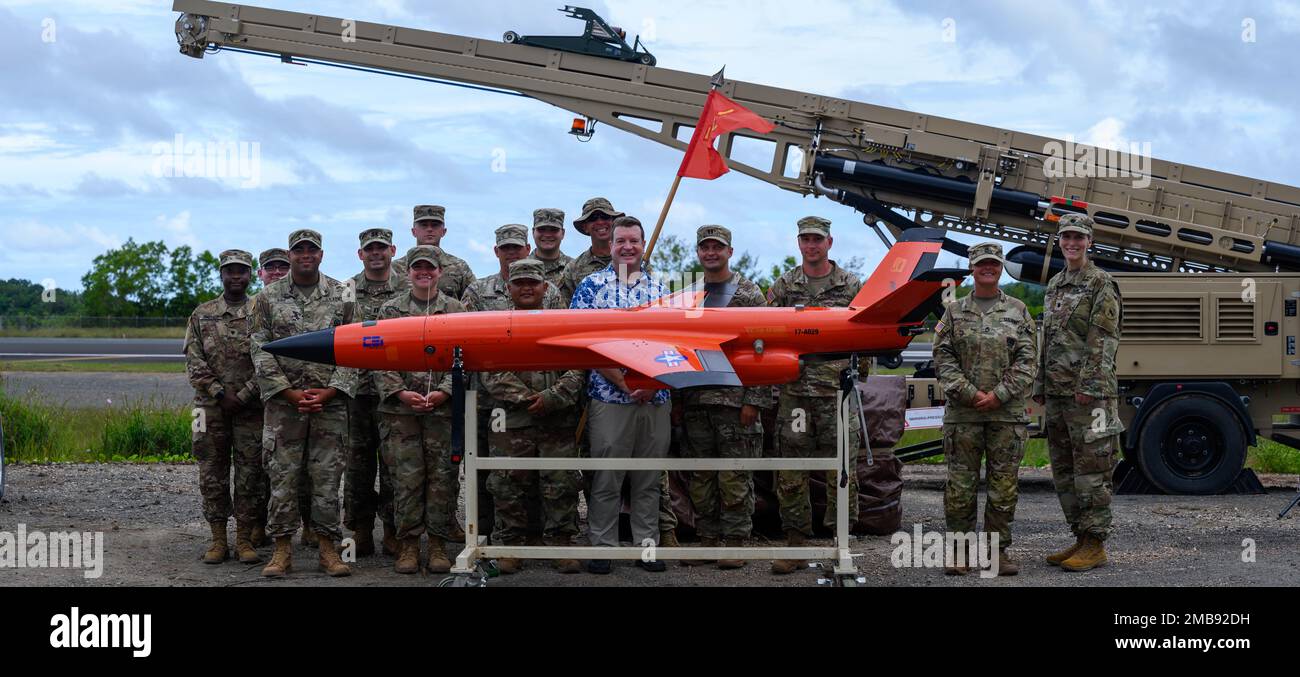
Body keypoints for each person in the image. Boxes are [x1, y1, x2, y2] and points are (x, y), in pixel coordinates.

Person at [250, 229, 358, 578]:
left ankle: (328, 549)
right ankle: (282, 550)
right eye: (299, 251)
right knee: (283, 476)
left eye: (312, 250)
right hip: (285, 406)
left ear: (321, 255)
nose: (305, 255)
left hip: (329, 404)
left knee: (327, 478)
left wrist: (332, 390)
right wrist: (286, 391)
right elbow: (259, 348)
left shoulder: (341, 294)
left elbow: (355, 347)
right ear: (290, 255)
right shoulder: (268, 297)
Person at [570, 215, 672, 574]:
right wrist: (625, 383)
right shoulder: (590, 286)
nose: (628, 247)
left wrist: (650, 383)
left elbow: (673, 344)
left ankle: (647, 547)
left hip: (655, 397)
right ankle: (603, 547)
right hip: (610, 397)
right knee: (607, 478)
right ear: (609, 246)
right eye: (621, 241)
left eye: (634, 241)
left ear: (643, 245)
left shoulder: (664, 289)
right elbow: (585, 343)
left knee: (648, 479)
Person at [765, 216, 865, 575]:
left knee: (841, 472)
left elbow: (865, 333)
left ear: (829, 243)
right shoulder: (784, 285)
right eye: (805, 239)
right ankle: (795, 546)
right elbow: (767, 329)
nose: (811, 245)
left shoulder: (851, 285)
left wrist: (858, 377)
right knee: (792, 472)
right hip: (796, 395)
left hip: (838, 395)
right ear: (799, 243)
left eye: (817, 240)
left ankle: (841, 546)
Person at [933, 242, 1038, 576]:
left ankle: (997, 554)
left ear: (1001, 266)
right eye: (981, 264)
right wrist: (969, 392)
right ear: (972, 268)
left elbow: (1028, 359)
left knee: (1003, 487)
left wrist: (999, 394)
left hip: (1006, 415)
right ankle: (960, 553)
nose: (987, 269)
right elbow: (943, 357)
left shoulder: (1019, 310)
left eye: (993, 263)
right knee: (960, 487)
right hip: (964, 414)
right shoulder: (953, 311)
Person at [481, 259, 585, 575]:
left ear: (544, 287)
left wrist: (553, 397)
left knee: (560, 483)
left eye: (533, 283)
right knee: (507, 484)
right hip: (512, 420)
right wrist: (526, 398)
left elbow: (580, 363)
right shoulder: (496, 325)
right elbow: (488, 367)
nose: (527, 288)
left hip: (557, 418)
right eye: (520, 283)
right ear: (509, 288)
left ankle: (561, 544)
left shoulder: (564, 321)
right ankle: (510, 547)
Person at [1034, 213, 1123, 572]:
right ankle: (1080, 537)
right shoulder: (1056, 283)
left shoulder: (1101, 283)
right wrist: (1040, 384)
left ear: (1089, 241)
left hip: (1090, 396)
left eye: (1079, 237)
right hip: (1057, 394)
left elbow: (1102, 339)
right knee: (1065, 470)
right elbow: (1049, 338)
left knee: (1093, 469)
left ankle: (1096, 543)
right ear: (1059, 241)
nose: (1072, 243)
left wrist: (1089, 386)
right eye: (1066, 237)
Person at [679, 226, 769, 569]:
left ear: (730, 251)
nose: (711, 253)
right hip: (696, 402)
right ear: (699, 253)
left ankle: (735, 541)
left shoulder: (749, 294)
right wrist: (677, 402)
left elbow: (763, 350)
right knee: (701, 477)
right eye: (705, 248)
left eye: (718, 247)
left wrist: (753, 401)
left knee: (734, 475)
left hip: (736, 403)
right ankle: (707, 539)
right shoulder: (687, 294)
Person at [374, 245, 466, 574]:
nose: (423, 272)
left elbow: (465, 358)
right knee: (406, 479)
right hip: (401, 413)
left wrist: (444, 392)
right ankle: (409, 544)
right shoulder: (390, 310)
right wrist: (400, 392)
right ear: (408, 272)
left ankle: (439, 543)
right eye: (417, 268)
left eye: (430, 267)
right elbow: (377, 356)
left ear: (440, 272)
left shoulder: (456, 310)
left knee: (442, 478)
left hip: (442, 412)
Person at [185, 249, 266, 565]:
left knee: (251, 474)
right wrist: (220, 393)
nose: (236, 277)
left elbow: (269, 358)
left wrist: (244, 395)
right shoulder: (202, 314)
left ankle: (244, 540)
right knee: (211, 472)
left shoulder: (262, 312)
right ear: (221, 274)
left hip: (251, 408)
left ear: (250, 275)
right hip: (208, 409)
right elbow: (193, 360)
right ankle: (218, 540)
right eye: (230, 271)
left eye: (242, 271)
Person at [344, 228, 406, 557]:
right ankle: (360, 529)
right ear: (361, 254)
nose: (376, 254)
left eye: (382, 248)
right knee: (358, 465)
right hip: (357, 391)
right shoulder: (347, 290)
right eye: (370, 249)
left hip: (394, 393)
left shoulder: (408, 287)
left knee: (395, 464)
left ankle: (394, 530)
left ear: (393, 250)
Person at [393, 205, 475, 299]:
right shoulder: (396, 268)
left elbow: (473, 300)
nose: (429, 229)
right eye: (424, 225)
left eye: (435, 225)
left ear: (444, 231)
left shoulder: (459, 267)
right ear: (413, 231)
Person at [557, 197, 623, 306]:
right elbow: (565, 310)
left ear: (614, 222)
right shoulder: (573, 269)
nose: (600, 222)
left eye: (605, 216)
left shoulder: (632, 262)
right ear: (585, 227)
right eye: (593, 218)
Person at [531, 208, 573, 289]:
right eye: (541, 229)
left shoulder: (575, 268)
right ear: (533, 232)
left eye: (554, 230)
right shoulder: (520, 267)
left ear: (563, 233)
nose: (547, 235)